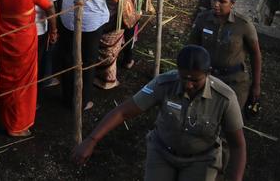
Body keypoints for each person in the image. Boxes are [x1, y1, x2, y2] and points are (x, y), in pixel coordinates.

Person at [71, 45, 247, 180]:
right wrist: (92, 139)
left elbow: (238, 146)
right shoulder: (164, 84)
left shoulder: (225, 98)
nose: (188, 84)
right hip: (162, 153)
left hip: (201, 160)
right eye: (183, 77)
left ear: (208, 74)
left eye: (195, 80)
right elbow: (124, 112)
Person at [0, 0, 56, 137]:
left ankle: (6, 120)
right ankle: (17, 126)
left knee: (8, 82)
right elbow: (50, 5)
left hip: (4, 42)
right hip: (24, 45)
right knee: (23, 85)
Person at [55, 0, 120, 111]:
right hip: (93, 21)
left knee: (68, 58)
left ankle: (68, 97)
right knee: (89, 61)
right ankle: (83, 101)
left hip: (68, 18)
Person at [191, 0, 263, 111]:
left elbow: (255, 54)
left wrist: (256, 85)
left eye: (222, 1)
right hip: (207, 79)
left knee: (231, 119)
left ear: (232, 3)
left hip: (234, 82)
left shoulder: (243, 25)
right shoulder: (202, 19)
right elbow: (192, 48)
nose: (216, 4)